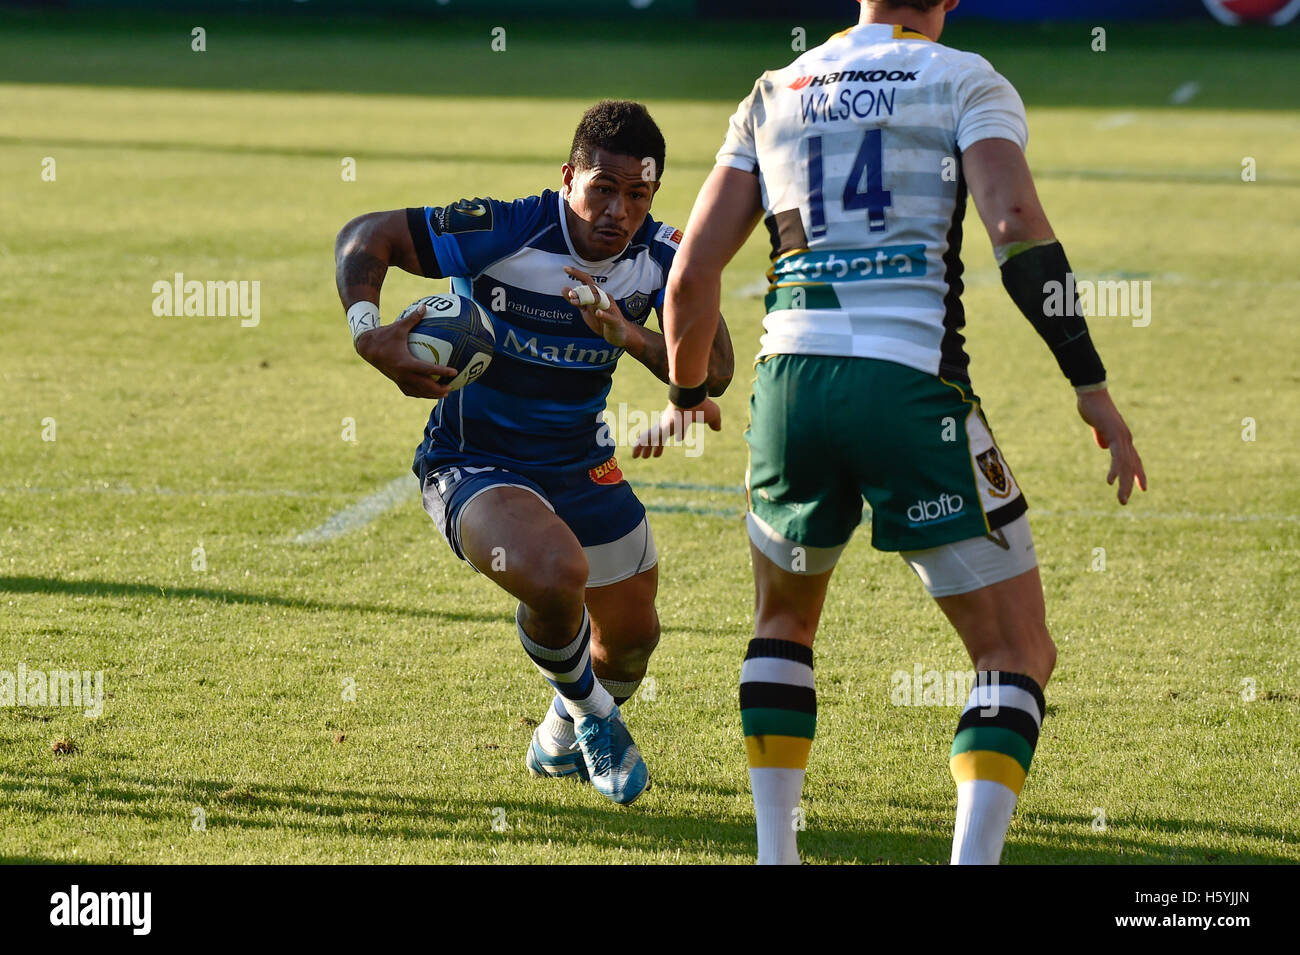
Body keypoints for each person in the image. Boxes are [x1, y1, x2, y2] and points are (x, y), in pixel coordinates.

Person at [635, 0, 1146, 860]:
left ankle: (775, 853)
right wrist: (1088, 382)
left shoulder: (776, 87)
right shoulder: (962, 78)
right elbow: (1017, 230)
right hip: (910, 387)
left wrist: (687, 393)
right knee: (1014, 647)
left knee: (783, 622)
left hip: (788, 384)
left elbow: (690, 277)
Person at [335, 100, 733, 806]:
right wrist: (370, 332)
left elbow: (717, 368)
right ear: (568, 178)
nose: (618, 210)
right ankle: (593, 716)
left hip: (581, 460)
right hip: (473, 458)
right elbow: (368, 236)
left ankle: (556, 739)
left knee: (634, 639)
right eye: (601, 188)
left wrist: (630, 337)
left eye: (637, 194)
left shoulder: (662, 258)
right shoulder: (508, 228)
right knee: (556, 575)